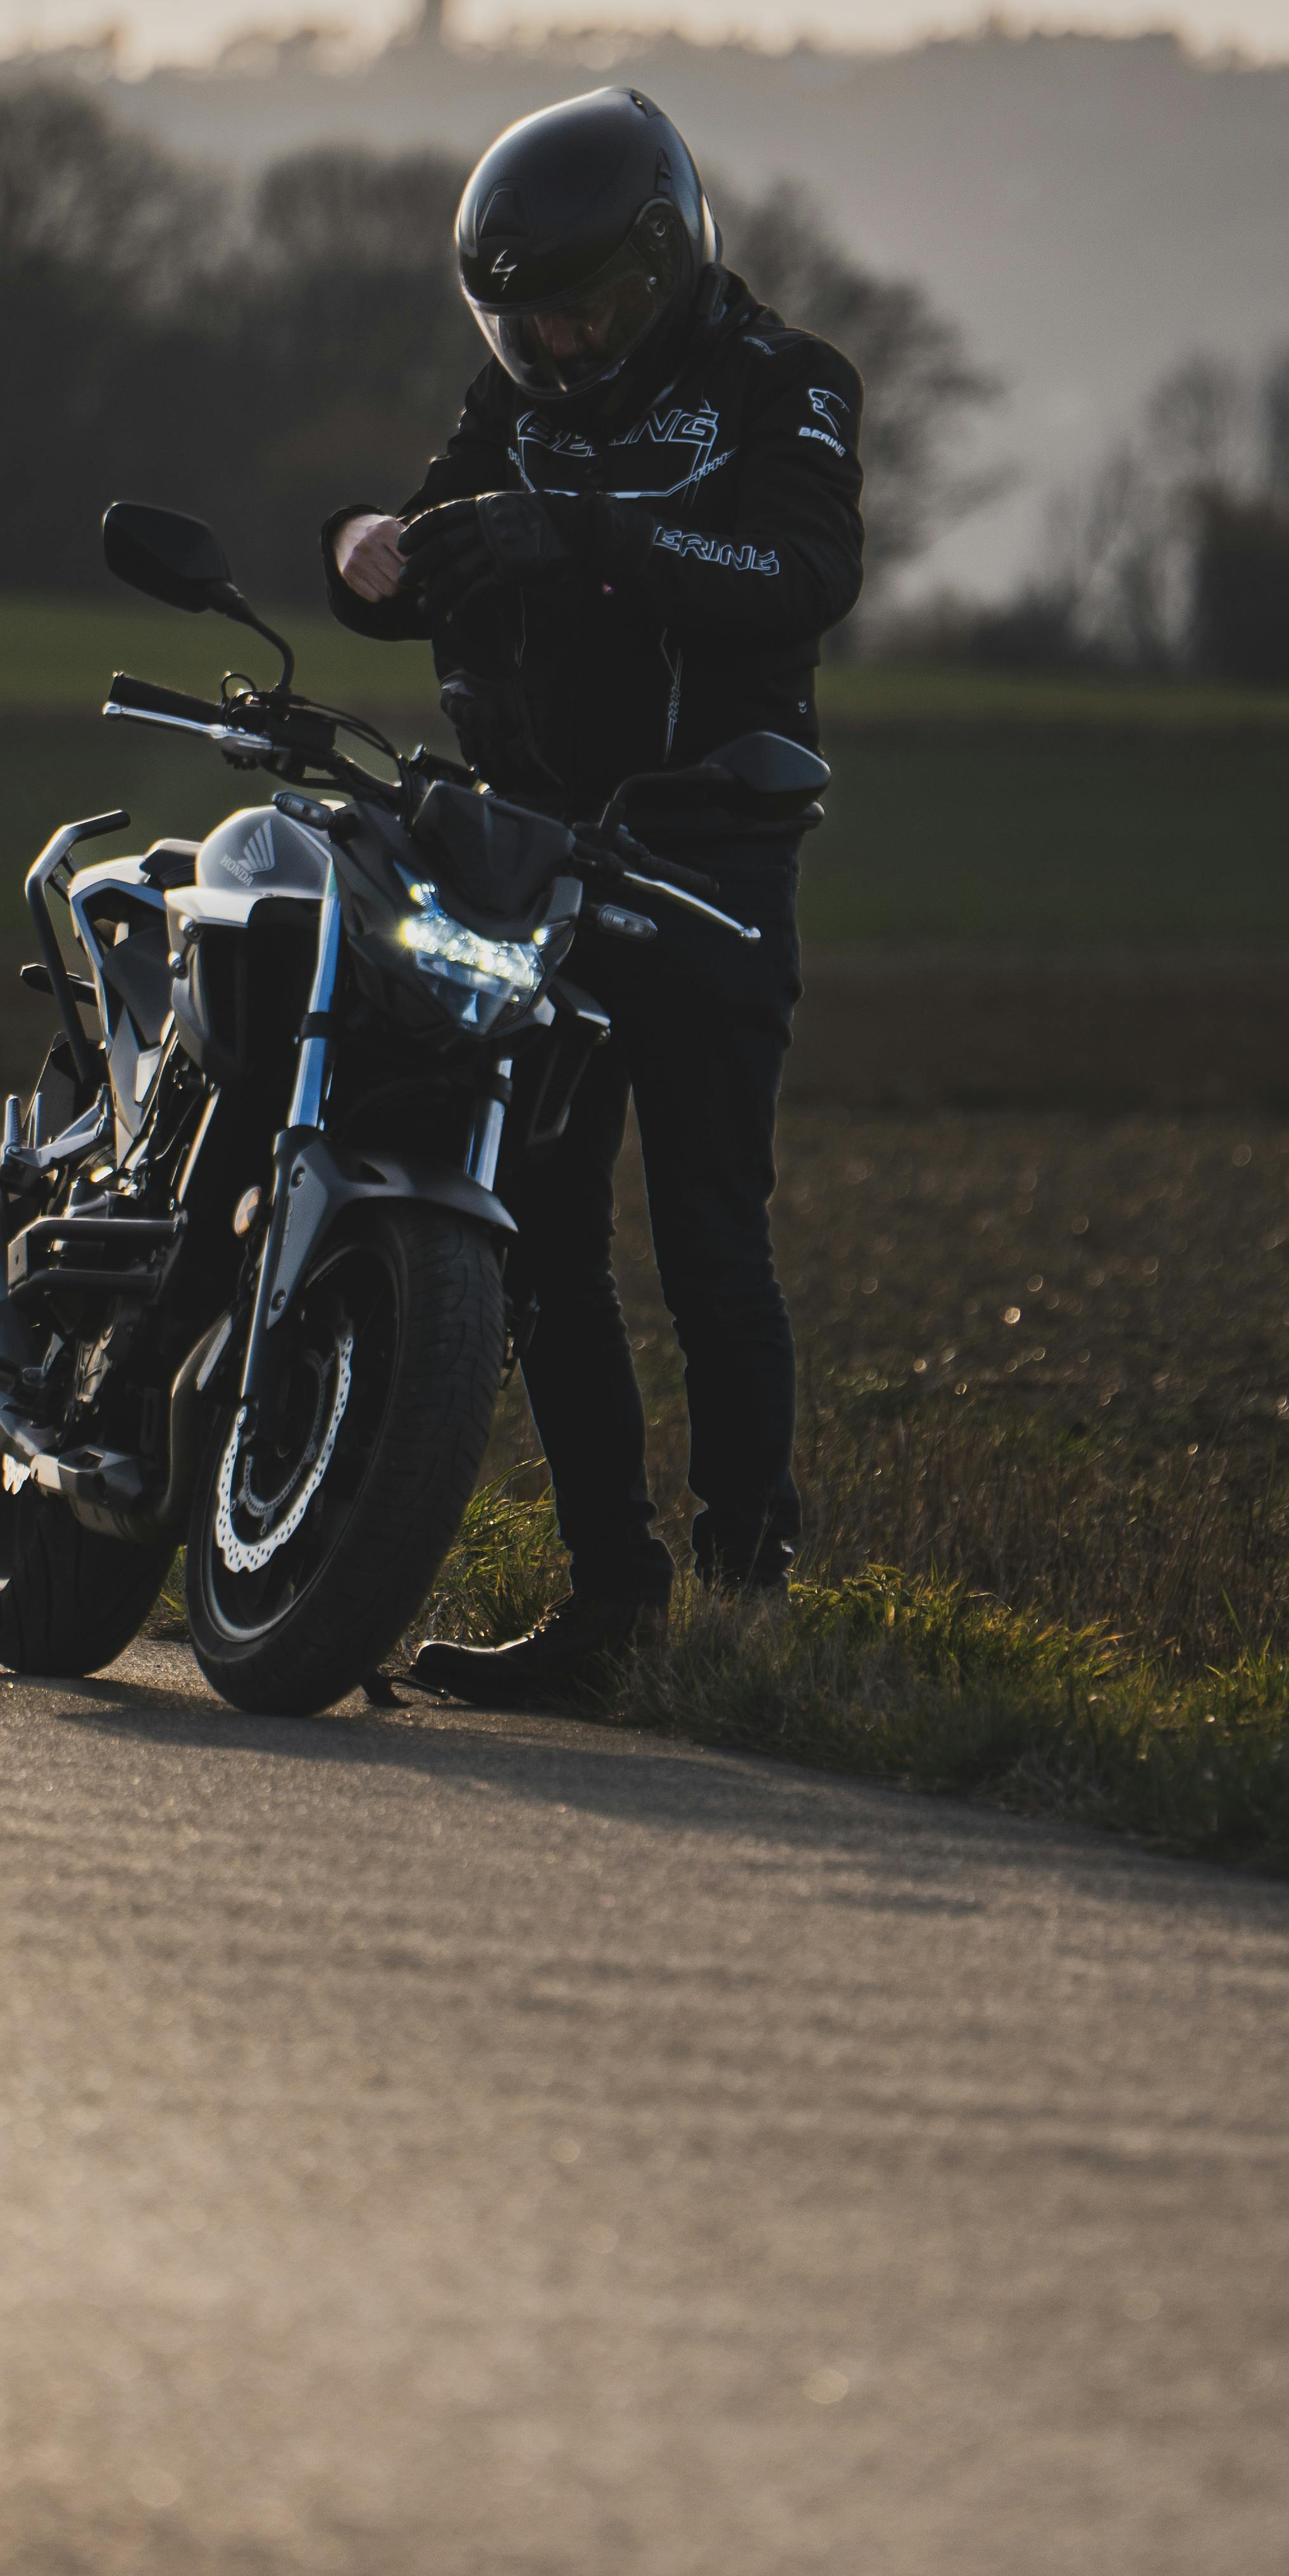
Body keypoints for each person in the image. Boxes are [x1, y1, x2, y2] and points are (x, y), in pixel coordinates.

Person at [318, 84, 864, 1706]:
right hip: (530, 853)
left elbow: (802, 578)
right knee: (535, 1238)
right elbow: (428, 547)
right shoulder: (520, 408)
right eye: (522, 326)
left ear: (667, 256)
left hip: (705, 860)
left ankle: (744, 1610)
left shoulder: (787, 383)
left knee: (709, 1240)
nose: (555, 349)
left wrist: (588, 538)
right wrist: (364, 552)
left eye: (585, 312)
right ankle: (609, 1599)